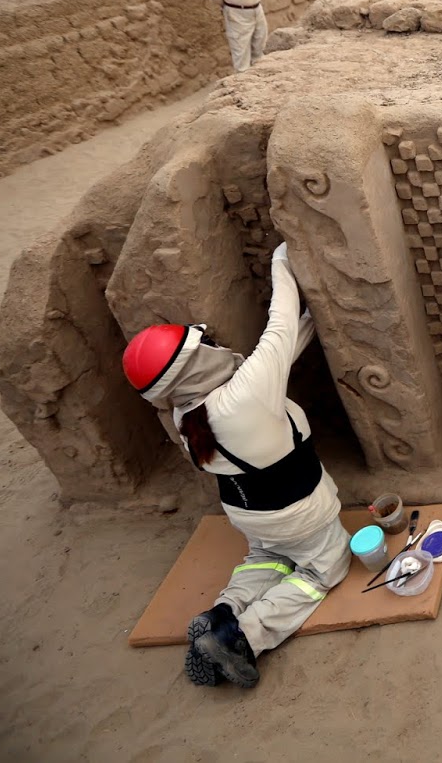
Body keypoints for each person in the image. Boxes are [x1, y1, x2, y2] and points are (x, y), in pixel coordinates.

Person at [122, 241, 349, 689]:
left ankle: (221, 610)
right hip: (297, 511)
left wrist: (312, 322)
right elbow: (279, 325)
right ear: (192, 362)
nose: (215, 344)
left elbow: (273, 361)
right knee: (323, 569)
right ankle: (242, 635)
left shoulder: (186, 415)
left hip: (249, 516)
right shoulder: (243, 396)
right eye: (204, 344)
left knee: (266, 556)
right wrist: (282, 255)